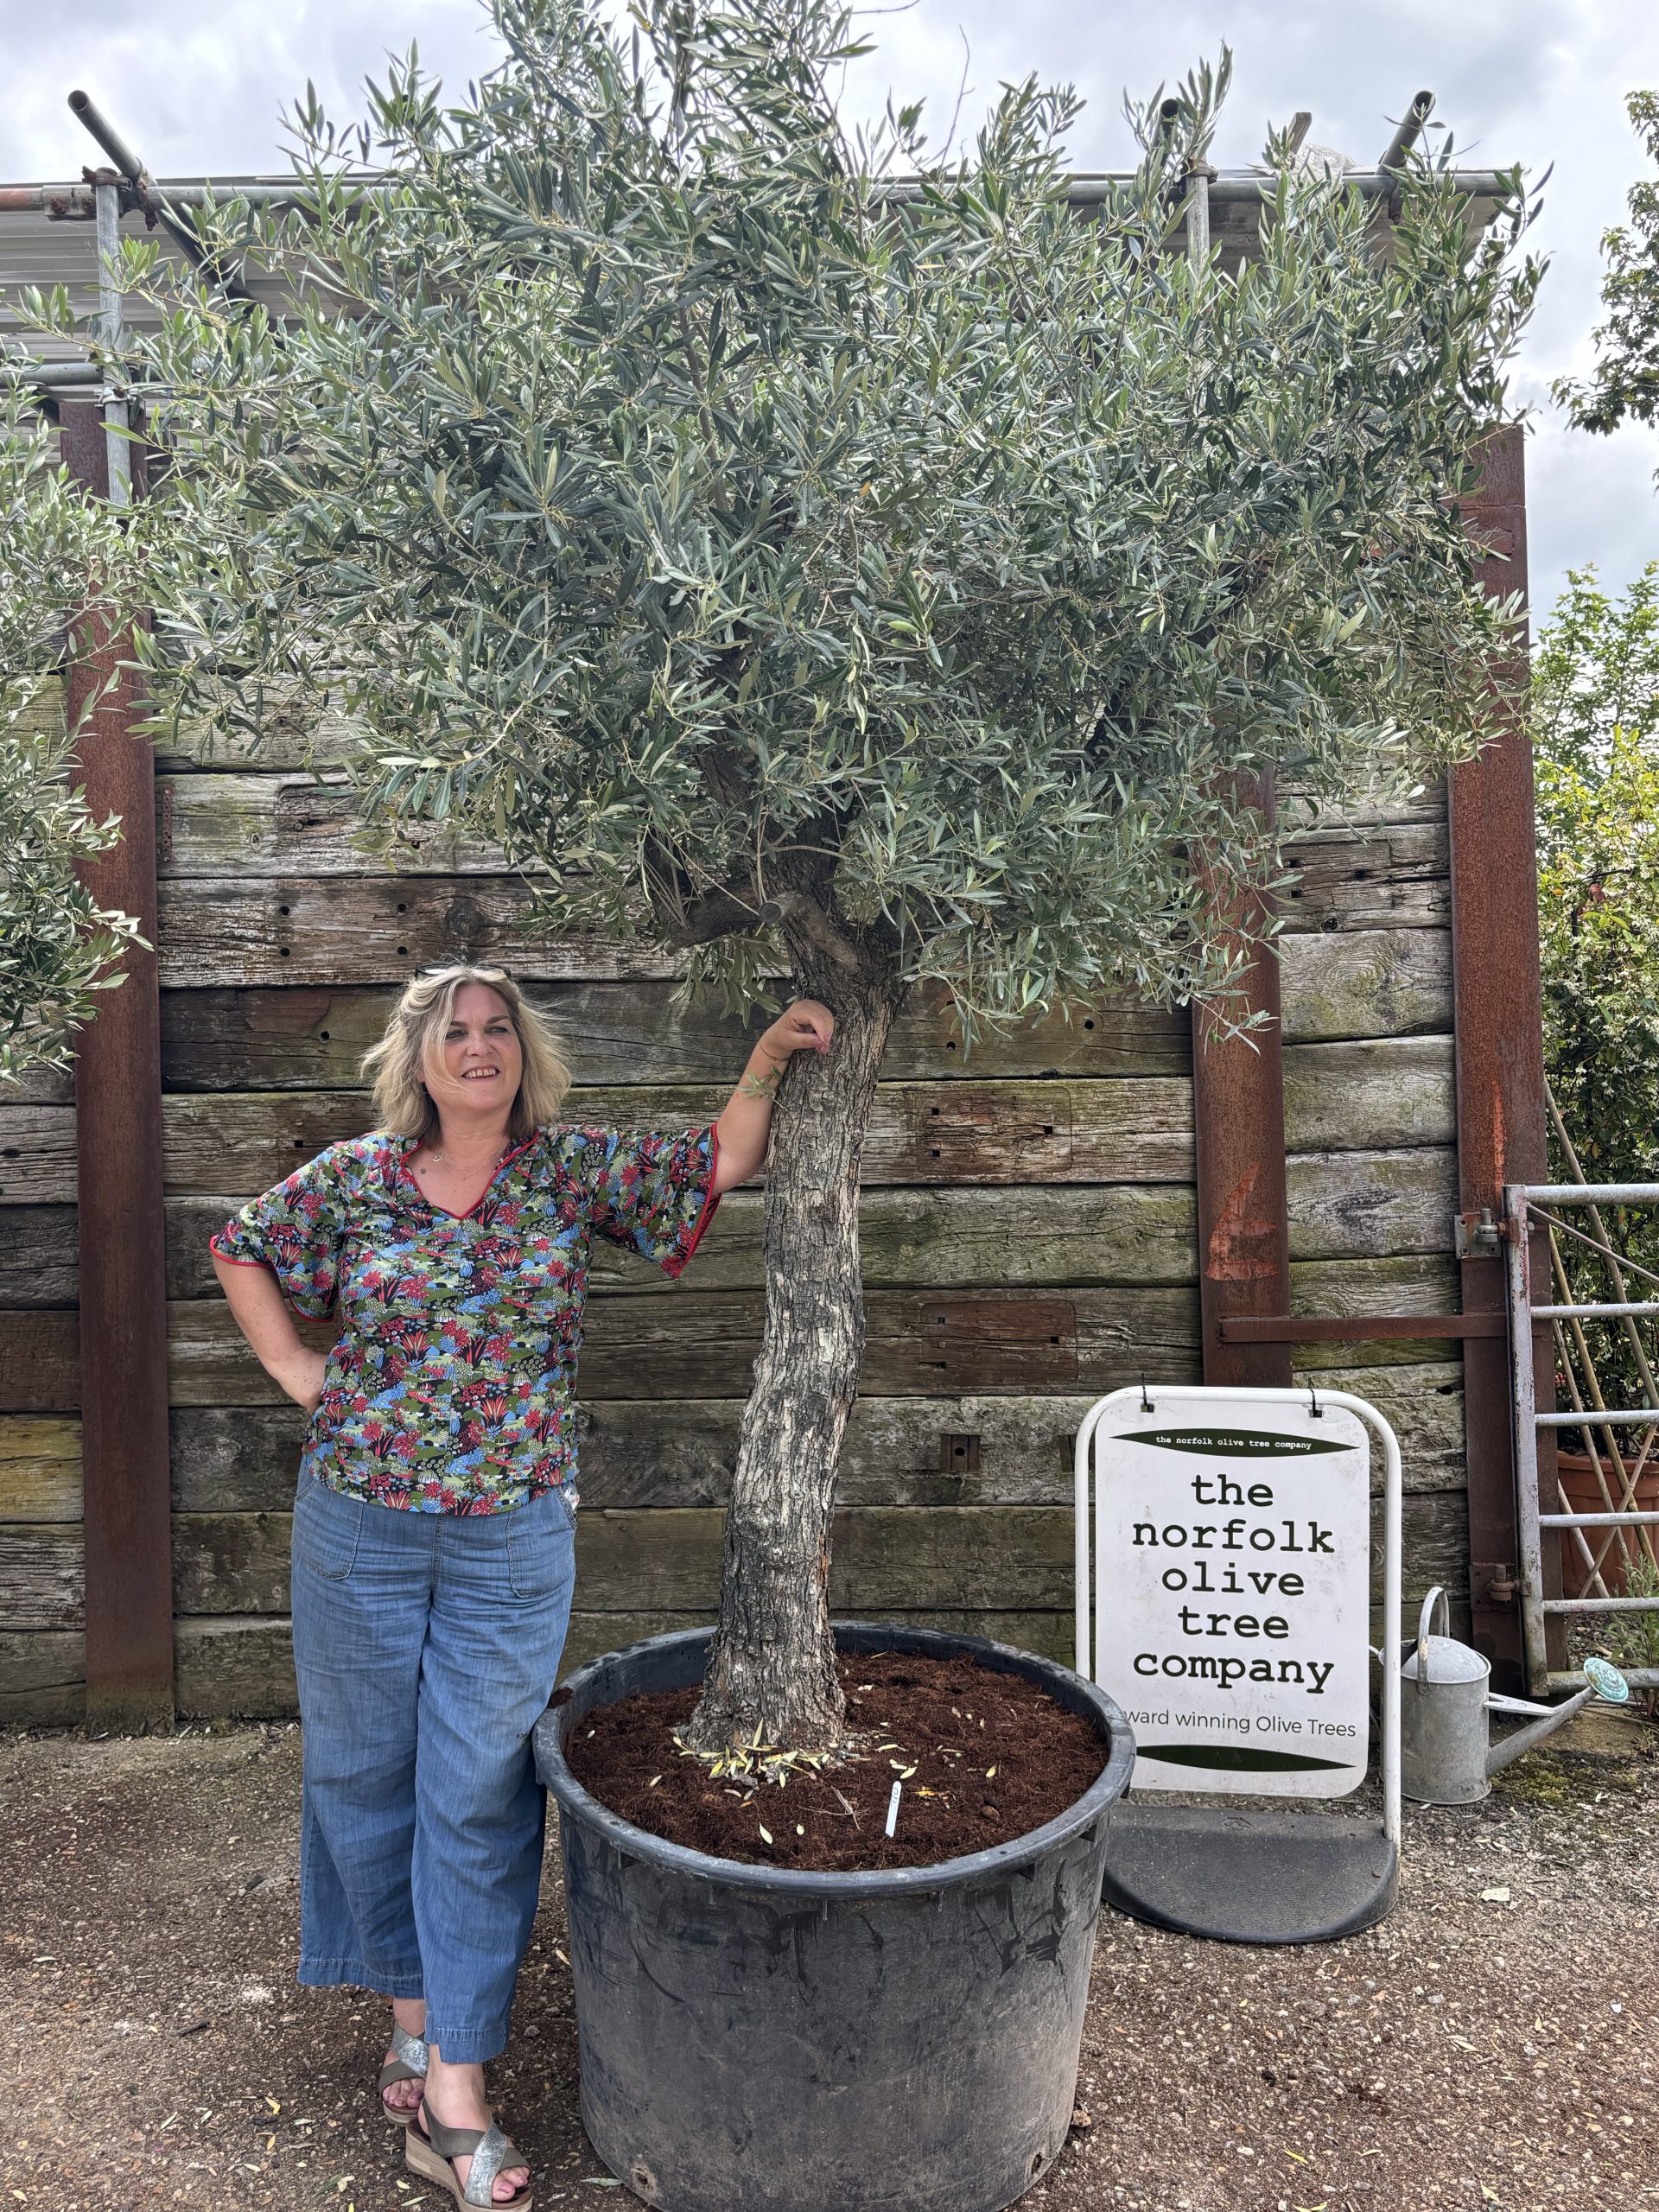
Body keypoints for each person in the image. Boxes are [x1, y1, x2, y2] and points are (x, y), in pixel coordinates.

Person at [212, 963, 834, 2210]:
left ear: (523, 1052)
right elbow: (243, 1245)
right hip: (357, 1527)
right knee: (362, 1774)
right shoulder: (355, 1179)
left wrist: (767, 1062)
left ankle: (456, 2086)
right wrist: (293, 1368)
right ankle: (413, 2016)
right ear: (418, 1056)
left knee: (477, 1792)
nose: (478, 1047)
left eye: (497, 1028)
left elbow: (716, 1163)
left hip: (511, 1538)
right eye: (454, 1031)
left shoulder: (565, 1171)